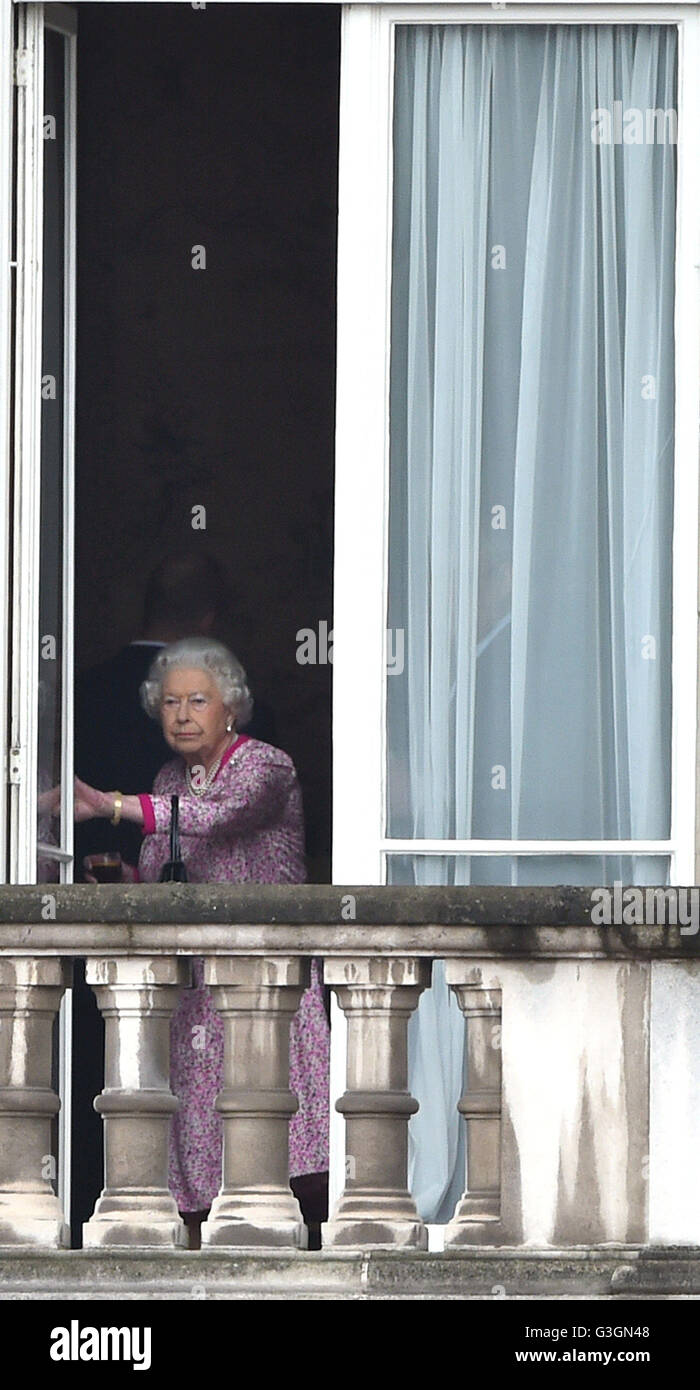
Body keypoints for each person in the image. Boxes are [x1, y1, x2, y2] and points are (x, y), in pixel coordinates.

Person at [74, 636, 329, 1249]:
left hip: (262, 984)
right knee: (194, 1142)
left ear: (230, 707)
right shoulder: (168, 777)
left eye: (197, 700)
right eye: (168, 703)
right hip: (193, 993)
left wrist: (109, 804)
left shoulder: (267, 765)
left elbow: (216, 818)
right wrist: (125, 878)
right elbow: (175, 866)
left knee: (274, 1145)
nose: (182, 714)